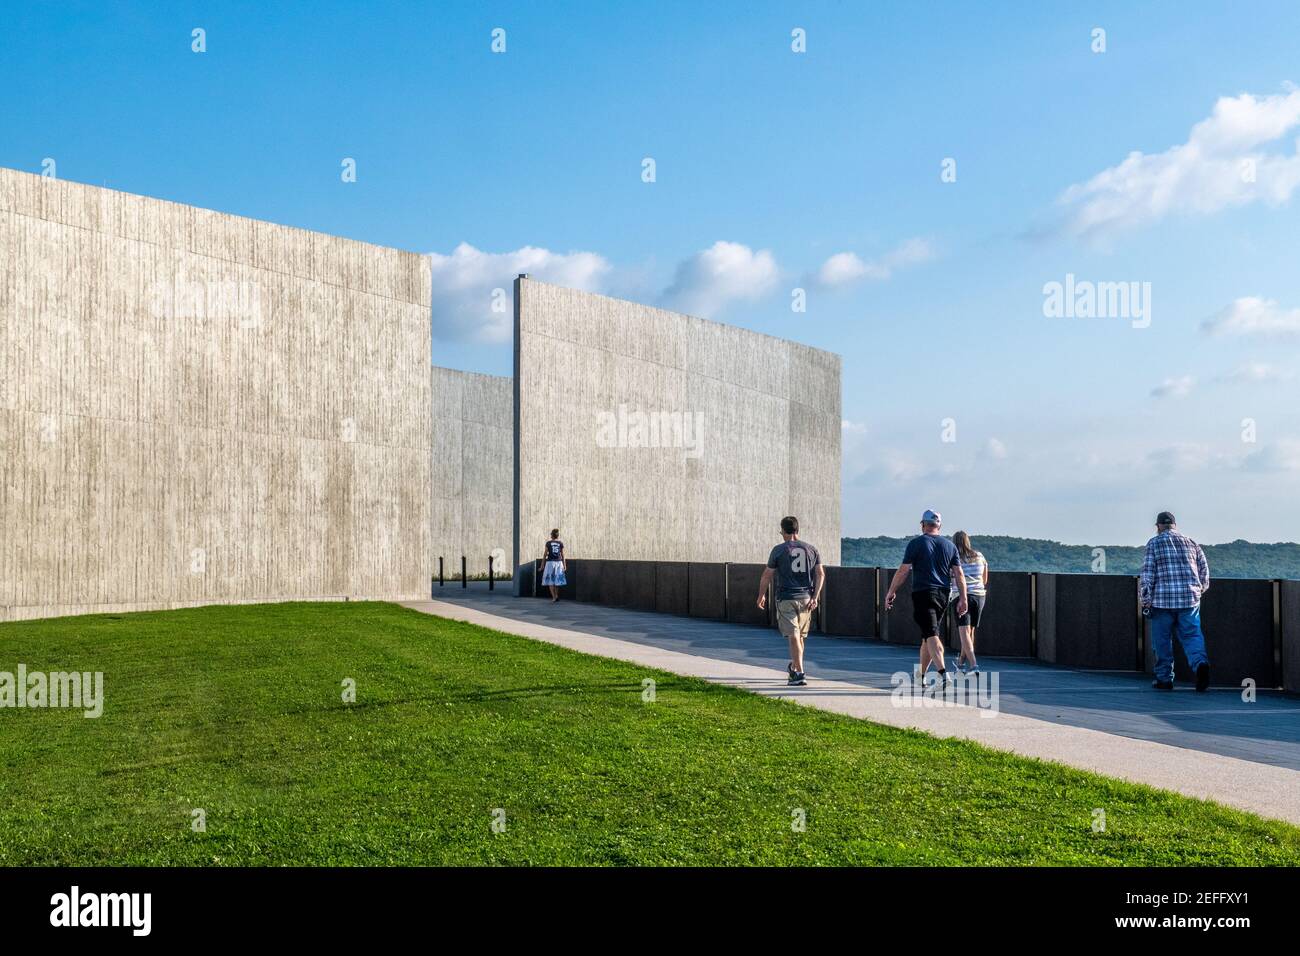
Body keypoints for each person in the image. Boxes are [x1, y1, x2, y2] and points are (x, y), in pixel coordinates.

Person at [883, 510, 968, 688]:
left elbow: (904, 570)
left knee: (932, 634)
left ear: (923, 524)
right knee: (928, 635)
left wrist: (891, 591)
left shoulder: (916, 543)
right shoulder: (949, 546)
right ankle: (920, 675)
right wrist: (963, 598)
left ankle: (943, 674)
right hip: (944, 594)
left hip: (923, 593)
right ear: (939, 526)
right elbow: (959, 573)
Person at [1140, 511, 1211, 692]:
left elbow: (1148, 574)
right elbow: (1204, 571)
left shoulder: (1154, 543)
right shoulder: (1192, 542)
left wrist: (1146, 601)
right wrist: (1199, 590)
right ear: (1175, 525)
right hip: (1189, 600)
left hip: (1162, 601)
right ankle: (1200, 664)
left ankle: (1165, 679)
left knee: (1162, 641)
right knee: (1192, 635)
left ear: (1158, 526)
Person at [757, 516, 825, 687]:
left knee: (793, 634)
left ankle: (799, 673)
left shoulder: (778, 550)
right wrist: (815, 597)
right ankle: (794, 668)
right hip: (806, 599)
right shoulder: (812, 549)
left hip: (786, 598)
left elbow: (767, 574)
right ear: (797, 530)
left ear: (782, 530)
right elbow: (821, 574)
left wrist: (761, 595)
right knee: (800, 636)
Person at [950, 531, 988, 674]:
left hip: (961, 596)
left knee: (964, 631)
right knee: (970, 631)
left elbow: (950, 578)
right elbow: (984, 579)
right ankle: (960, 663)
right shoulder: (980, 556)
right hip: (979, 596)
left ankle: (973, 665)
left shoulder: (953, 559)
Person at [541, 529, 566, 602]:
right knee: (557, 580)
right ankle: (556, 595)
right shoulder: (560, 543)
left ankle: (554, 597)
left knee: (550, 581)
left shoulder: (548, 543)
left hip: (550, 563)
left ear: (552, 535)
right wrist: (565, 565)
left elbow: (545, 554)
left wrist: (542, 565)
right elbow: (562, 554)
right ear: (557, 535)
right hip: (558, 562)